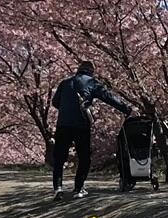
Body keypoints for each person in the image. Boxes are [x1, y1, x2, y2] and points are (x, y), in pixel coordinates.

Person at [50, 61, 133, 199]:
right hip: (81, 126)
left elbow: (55, 102)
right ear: (91, 71)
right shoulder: (91, 83)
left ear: (79, 70)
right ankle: (78, 188)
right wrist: (125, 108)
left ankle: (58, 188)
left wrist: (66, 109)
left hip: (63, 125)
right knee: (84, 157)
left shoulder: (65, 83)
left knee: (60, 157)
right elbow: (108, 97)